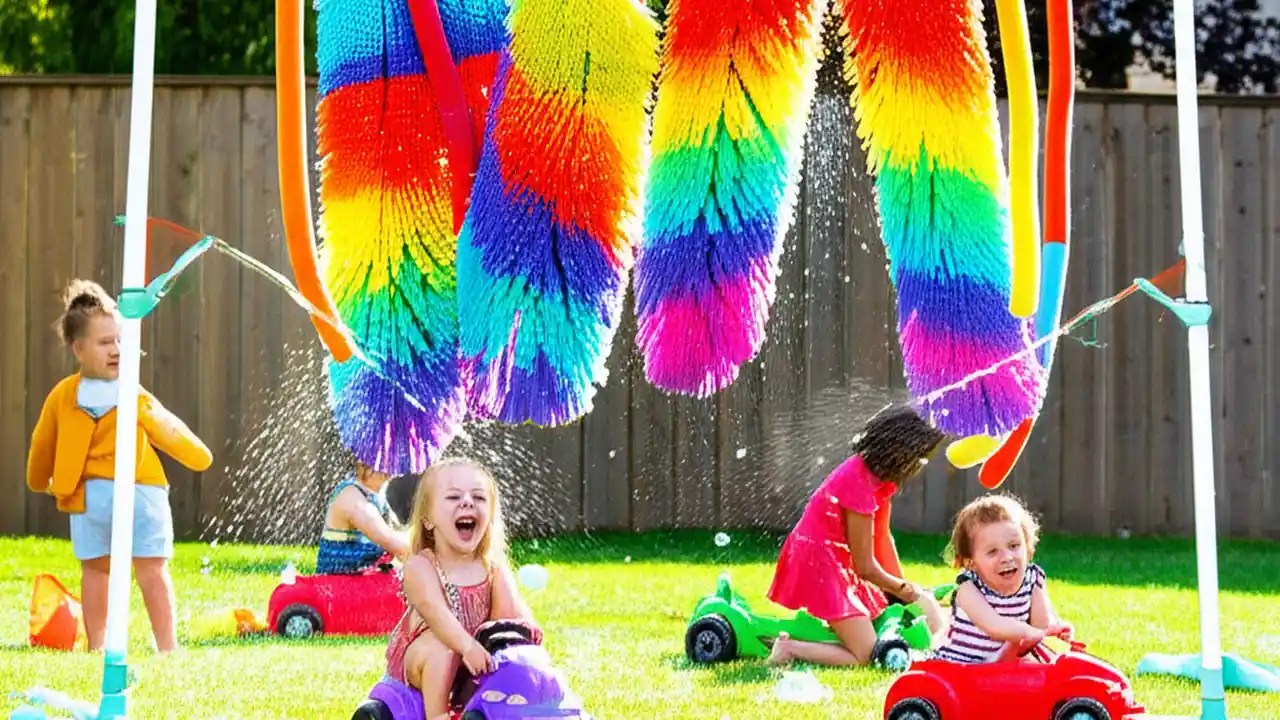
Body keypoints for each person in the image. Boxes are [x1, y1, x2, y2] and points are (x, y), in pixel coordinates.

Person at [26, 279, 213, 653]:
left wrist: (198, 455)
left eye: (120, 340)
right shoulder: (64, 395)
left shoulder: (133, 391)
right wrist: (39, 479)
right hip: (90, 500)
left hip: (140, 492)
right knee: (96, 572)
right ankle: (98, 646)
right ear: (78, 349)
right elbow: (43, 441)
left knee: (152, 571)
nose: (116, 350)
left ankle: (167, 647)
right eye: (104, 342)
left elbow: (167, 429)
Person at [766, 403, 948, 666]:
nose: (919, 465)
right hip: (818, 560)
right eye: (920, 457)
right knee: (867, 655)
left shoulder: (882, 477)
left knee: (876, 620)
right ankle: (790, 648)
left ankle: (825, 635)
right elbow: (865, 567)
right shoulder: (858, 483)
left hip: (836, 556)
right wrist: (904, 590)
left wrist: (898, 589)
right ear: (903, 453)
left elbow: (882, 538)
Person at [383, 458, 538, 720]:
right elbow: (435, 613)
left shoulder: (493, 568)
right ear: (428, 520)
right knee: (444, 646)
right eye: (453, 497)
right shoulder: (421, 566)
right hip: (423, 660)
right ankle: (438, 715)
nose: (467, 502)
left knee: (513, 657)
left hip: (475, 657)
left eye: (478, 497)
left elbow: (511, 615)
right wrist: (466, 647)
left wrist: (529, 642)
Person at [934, 494, 1073, 664]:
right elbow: (994, 625)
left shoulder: (1032, 579)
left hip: (1003, 666)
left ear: (1028, 548)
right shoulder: (969, 588)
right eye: (992, 551)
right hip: (964, 667)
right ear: (971, 562)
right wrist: (1028, 632)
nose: (1007, 557)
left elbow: (1042, 623)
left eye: (1014, 546)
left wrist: (1056, 631)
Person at [316, 460, 410, 574]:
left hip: (361, 582)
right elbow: (392, 543)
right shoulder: (352, 497)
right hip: (336, 585)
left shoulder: (377, 495)